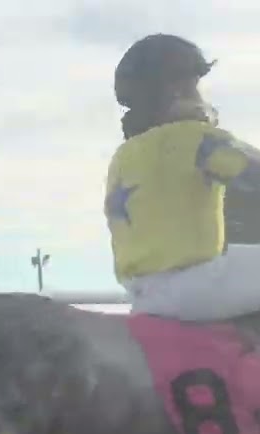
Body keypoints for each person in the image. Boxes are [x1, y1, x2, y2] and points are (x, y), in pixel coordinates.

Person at [105, 33, 260, 323]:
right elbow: (251, 172)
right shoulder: (195, 137)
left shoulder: (122, 157)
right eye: (196, 84)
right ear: (177, 88)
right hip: (194, 286)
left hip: (141, 294)